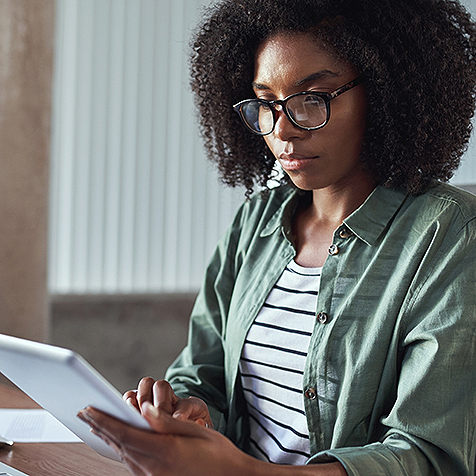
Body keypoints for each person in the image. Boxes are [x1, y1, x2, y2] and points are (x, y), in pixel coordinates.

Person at [77, 0, 476, 474]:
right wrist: (190, 413)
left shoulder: (448, 234)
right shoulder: (255, 225)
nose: (282, 129)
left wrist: (242, 472)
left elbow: (429, 457)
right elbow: (202, 376)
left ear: (388, 92)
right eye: (266, 103)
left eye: (314, 99)